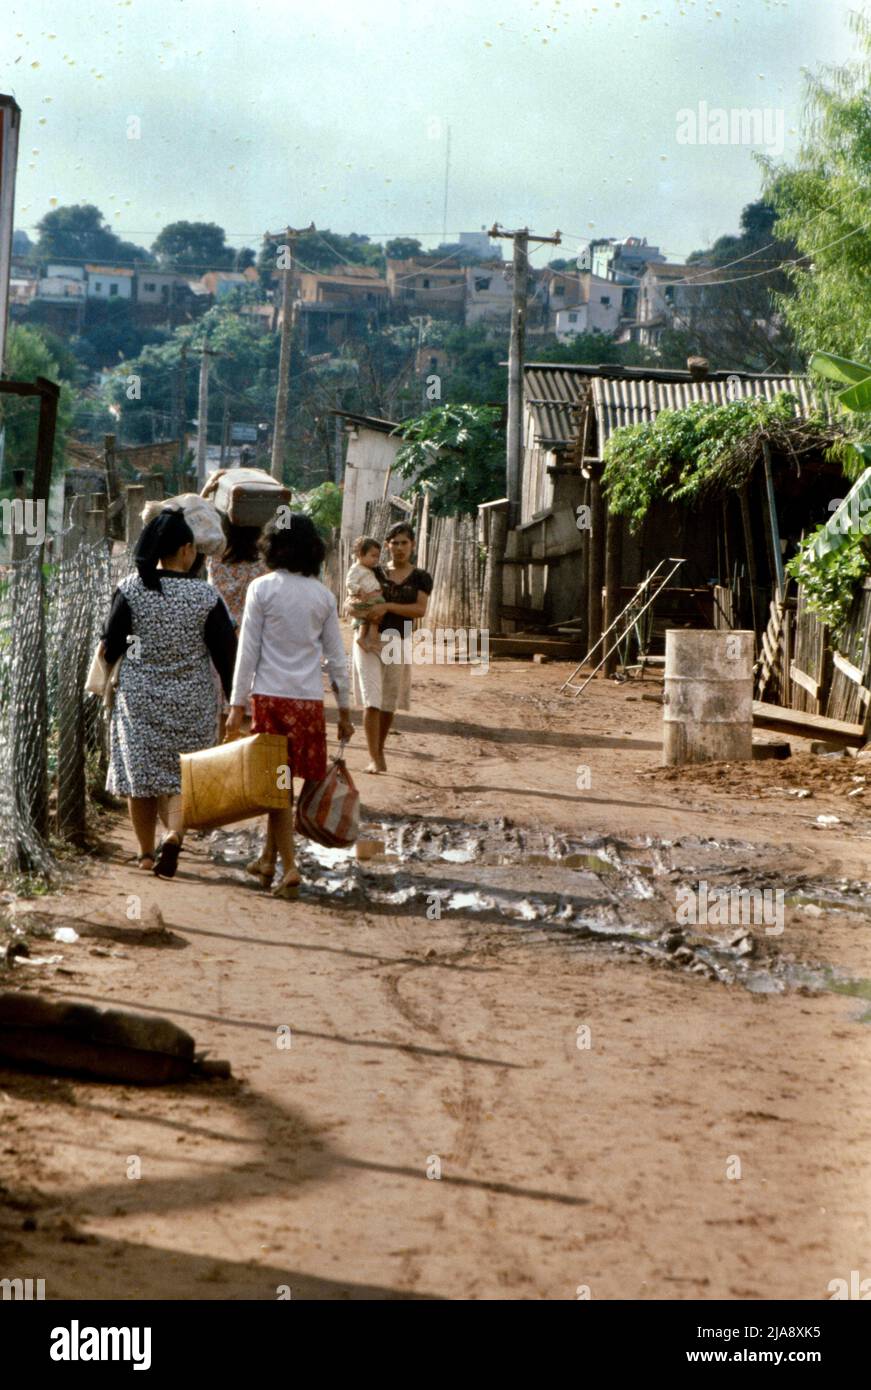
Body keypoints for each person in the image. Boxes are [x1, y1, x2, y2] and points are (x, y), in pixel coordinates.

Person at [101, 508, 237, 878]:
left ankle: (145, 853)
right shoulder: (205, 596)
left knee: (140, 779)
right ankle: (174, 834)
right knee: (182, 777)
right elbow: (226, 654)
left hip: (139, 699)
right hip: (191, 700)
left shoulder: (131, 589)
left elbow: (113, 644)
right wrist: (234, 701)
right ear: (187, 550)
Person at [226, 513, 354, 899]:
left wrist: (236, 703)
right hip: (308, 704)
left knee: (275, 787)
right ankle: (267, 860)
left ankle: (291, 868)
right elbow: (337, 658)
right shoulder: (323, 596)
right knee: (282, 787)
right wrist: (345, 711)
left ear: (271, 546)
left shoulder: (262, 589)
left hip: (270, 699)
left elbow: (247, 650)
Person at [351, 521, 432, 775]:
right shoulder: (374, 571)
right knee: (372, 700)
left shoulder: (421, 577)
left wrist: (386, 607)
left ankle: (380, 748)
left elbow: (419, 610)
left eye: (404, 543)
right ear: (387, 546)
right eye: (394, 543)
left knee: (388, 701)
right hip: (367, 640)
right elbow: (353, 595)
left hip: (399, 640)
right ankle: (374, 757)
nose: (399, 548)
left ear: (413, 545)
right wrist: (356, 606)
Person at [344, 536, 384, 653]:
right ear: (360, 554)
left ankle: (362, 638)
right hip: (365, 599)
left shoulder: (368, 569)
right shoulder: (356, 568)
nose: (376, 559)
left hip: (372, 598)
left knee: (369, 620)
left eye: (377, 556)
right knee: (374, 617)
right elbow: (349, 582)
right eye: (373, 556)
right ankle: (372, 641)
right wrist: (359, 590)